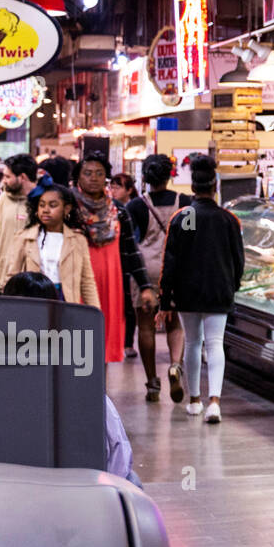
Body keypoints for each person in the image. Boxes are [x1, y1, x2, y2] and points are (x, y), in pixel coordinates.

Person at [1, 269, 140, 486]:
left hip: (7, 493)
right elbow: (118, 456)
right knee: (132, 482)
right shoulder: (76, 375)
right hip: (76, 493)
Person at [160, 156, 243, 424]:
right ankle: (215, 403)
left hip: (187, 292)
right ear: (215, 186)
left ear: (192, 187)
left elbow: (169, 261)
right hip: (219, 290)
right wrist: (234, 286)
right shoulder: (229, 219)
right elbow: (238, 260)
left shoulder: (182, 217)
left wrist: (166, 298)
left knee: (193, 344)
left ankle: (194, 400)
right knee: (215, 343)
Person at [73, 152, 154, 365]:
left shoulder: (118, 212)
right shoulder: (69, 209)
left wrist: (145, 286)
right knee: (76, 340)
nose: (93, 178)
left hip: (111, 284)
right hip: (77, 282)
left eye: (99, 173)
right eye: (88, 173)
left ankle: (99, 393)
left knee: (103, 341)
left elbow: (131, 251)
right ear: (79, 177)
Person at [127, 154, 189, 404]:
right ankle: (175, 365)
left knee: (145, 326)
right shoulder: (185, 202)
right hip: (176, 268)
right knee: (176, 323)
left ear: (145, 176)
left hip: (146, 269)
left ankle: (152, 382)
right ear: (170, 174)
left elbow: (131, 241)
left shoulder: (135, 206)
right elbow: (190, 235)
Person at [0, 184, 99, 307]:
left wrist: (95, 314)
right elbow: (12, 277)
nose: (45, 210)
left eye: (52, 205)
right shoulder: (24, 238)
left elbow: (87, 282)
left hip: (65, 300)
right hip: (33, 300)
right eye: (42, 205)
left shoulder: (78, 240)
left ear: (66, 209)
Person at [0, 154, 38, 291]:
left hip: (31, 287)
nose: (3, 181)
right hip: (1, 284)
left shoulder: (42, 203)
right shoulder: (3, 200)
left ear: (22, 177)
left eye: (7, 177)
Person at [109, 173, 139, 359]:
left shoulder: (134, 208)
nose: (113, 191)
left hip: (130, 260)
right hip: (116, 260)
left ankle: (128, 343)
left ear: (129, 190)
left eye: (118, 187)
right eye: (112, 187)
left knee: (129, 304)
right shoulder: (111, 209)